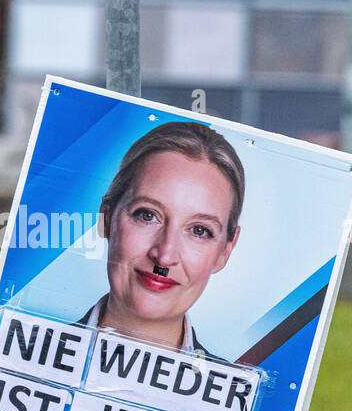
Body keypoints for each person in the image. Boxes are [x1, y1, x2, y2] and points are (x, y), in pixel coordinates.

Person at [80, 121, 244, 360]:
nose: (164, 256)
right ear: (107, 218)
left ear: (225, 251)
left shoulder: (243, 394)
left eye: (199, 230)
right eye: (147, 215)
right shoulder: (14, 357)